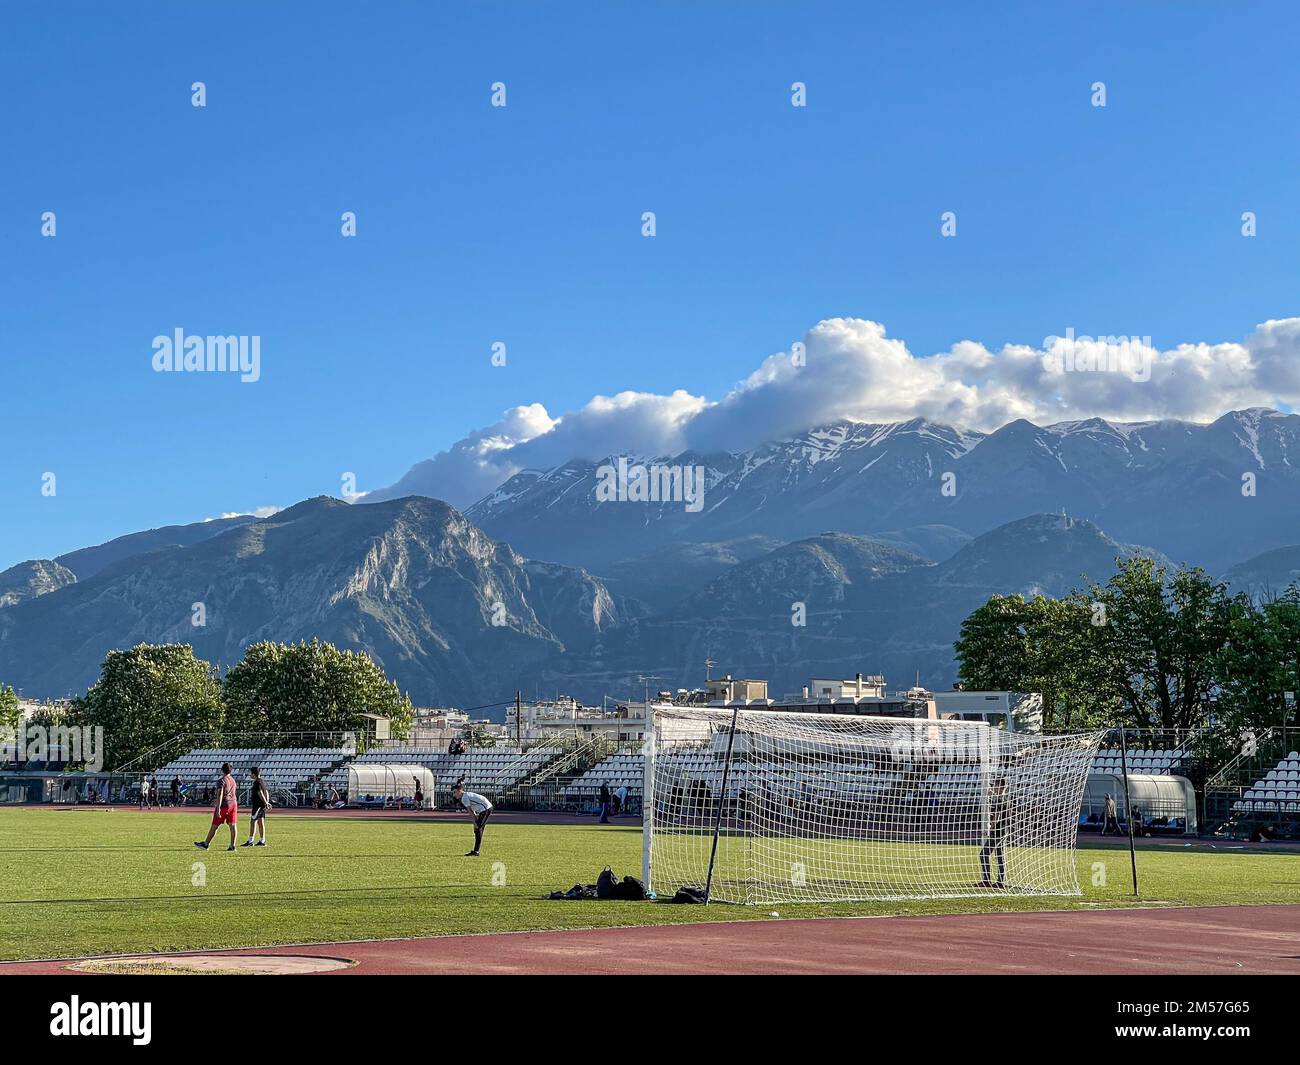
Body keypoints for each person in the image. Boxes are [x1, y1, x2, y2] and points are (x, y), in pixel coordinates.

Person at [195, 763, 239, 852]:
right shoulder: (233, 780)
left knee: (215, 825)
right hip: (233, 803)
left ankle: (206, 844)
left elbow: (220, 793)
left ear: (222, 770)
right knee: (233, 825)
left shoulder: (221, 780)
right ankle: (232, 845)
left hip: (224, 804)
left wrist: (218, 807)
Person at [979, 774, 1010, 889]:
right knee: (999, 856)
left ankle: (988, 880)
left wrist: (988, 829)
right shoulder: (1004, 799)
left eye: (995, 785)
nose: (993, 787)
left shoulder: (1000, 801)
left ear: (1000, 787)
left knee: (984, 854)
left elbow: (996, 818)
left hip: (997, 833)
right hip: (1003, 832)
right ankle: (999, 882)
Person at [450, 778, 492, 856]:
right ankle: (476, 851)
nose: (454, 795)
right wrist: (476, 820)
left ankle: (476, 851)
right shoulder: (466, 795)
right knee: (478, 830)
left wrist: (475, 821)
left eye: (455, 792)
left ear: (459, 791)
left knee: (477, 829)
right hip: (485, 808)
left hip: (486, 809)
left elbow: (470, 811)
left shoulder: (464, 798)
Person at [242, 767, 271, 847]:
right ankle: (262, 840)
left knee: (253, 822)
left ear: (254, 774)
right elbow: (267, 792)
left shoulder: (256, 783)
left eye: (251, 773)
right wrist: (267, 802)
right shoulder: (262, 782)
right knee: (260, 822)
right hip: (261, 806)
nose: (250, 775)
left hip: (257, 805)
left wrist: (266, 802)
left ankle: (250, 841)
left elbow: (260, 793)